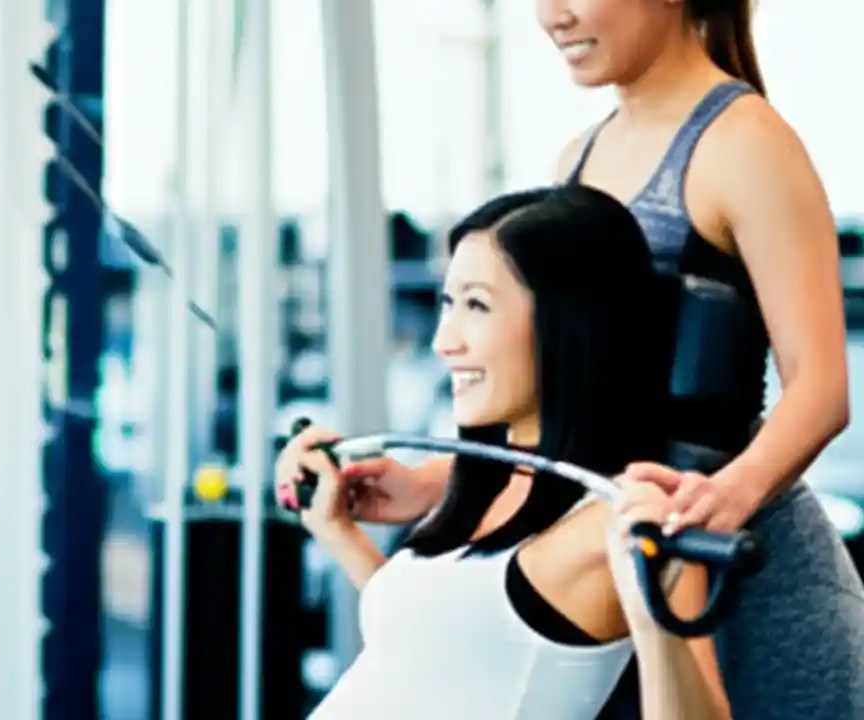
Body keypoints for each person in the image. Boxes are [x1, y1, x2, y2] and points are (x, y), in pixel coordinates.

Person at [323, 1, 864, 716]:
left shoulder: (745, 144)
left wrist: (708, 510)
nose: (552, 15)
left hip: (740, 573)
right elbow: (589, 406)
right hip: (624, 558)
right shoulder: (579, 158)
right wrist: (434, 483)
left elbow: (820, 391)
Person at [278, 185, 729, 719]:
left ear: (568, 325)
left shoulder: (617, 524)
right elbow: (438, 648)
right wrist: (335, 530)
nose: (444, 341)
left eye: (477, 305)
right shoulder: (489, 485)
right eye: (448, 304)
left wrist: (656, 622)